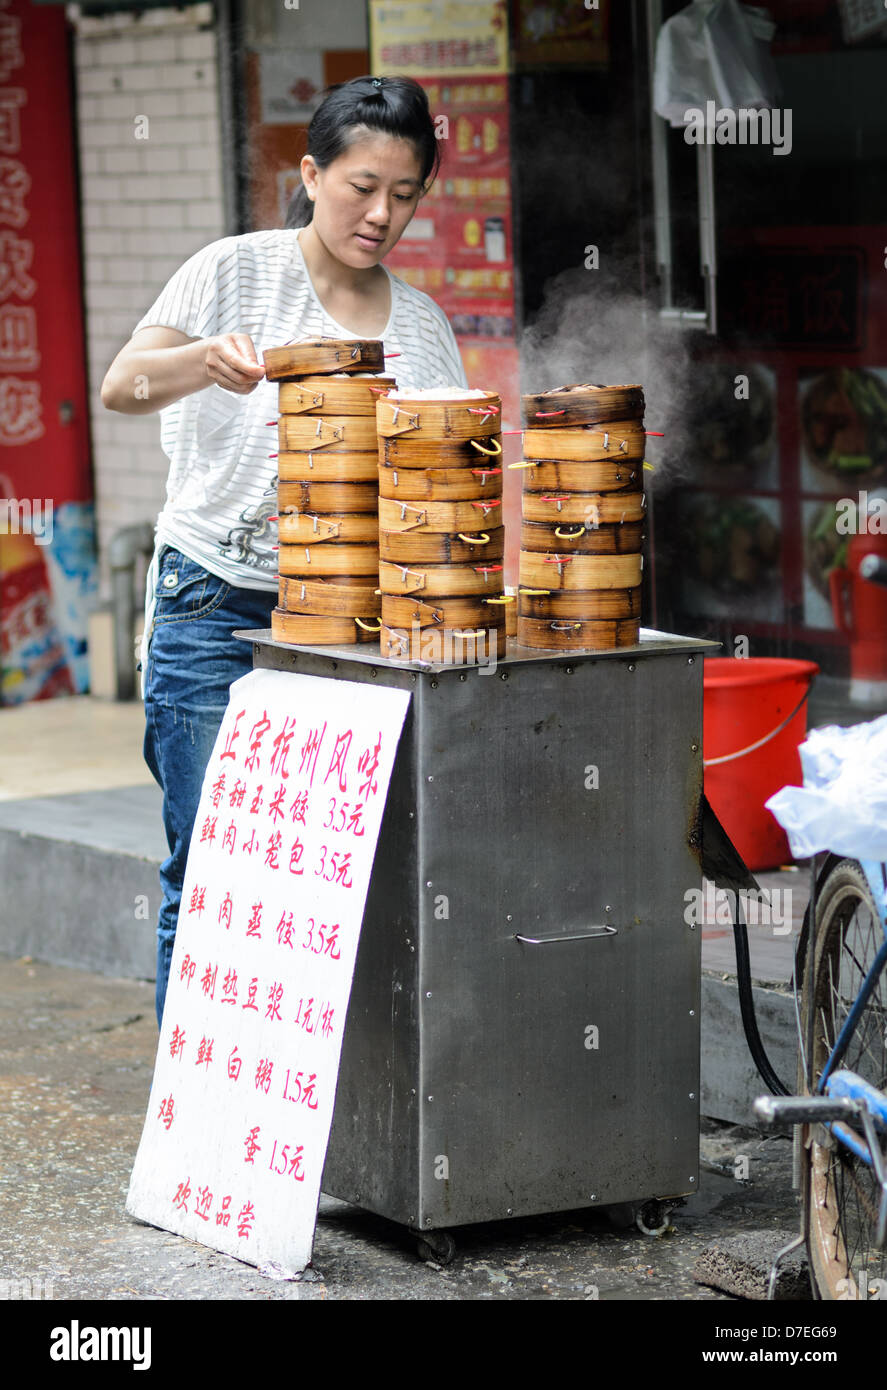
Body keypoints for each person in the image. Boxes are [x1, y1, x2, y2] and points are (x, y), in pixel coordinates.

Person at [101, 75, 468, 1025]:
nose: (380, 213)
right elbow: (122, 386)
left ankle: (309, 1128)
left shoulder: (422, 328)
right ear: (310, 174)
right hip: (213, 603)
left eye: (404, 193)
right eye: (359, 186)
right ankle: (201, 1135)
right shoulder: (235, 269)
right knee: (213, 862)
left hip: (355, 626)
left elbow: (443, 481)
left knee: (321, 878)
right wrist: (200, 364)